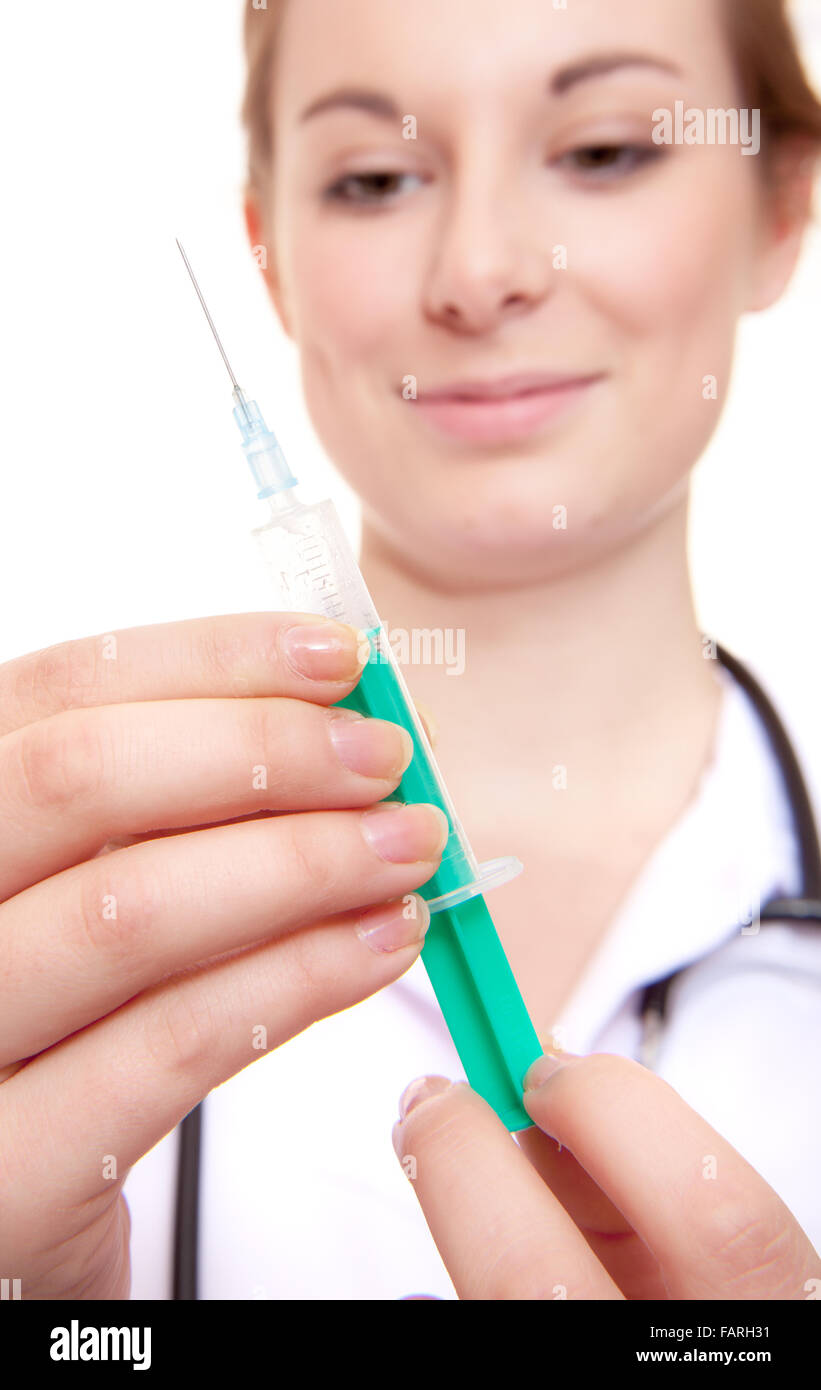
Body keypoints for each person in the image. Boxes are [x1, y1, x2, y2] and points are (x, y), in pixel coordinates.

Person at [1, 0, 820, 1301]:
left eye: (603, 149)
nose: (480, 269)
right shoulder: (55, 942)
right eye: (375, 178)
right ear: (266, 252)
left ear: (783, 199)